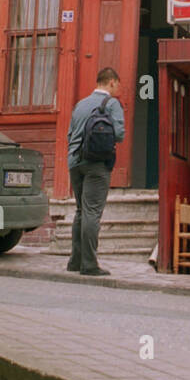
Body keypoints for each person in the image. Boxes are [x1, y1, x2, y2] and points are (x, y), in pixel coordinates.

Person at [66, 67, 125, 276]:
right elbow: (119, 134)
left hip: (74, 162)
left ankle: (75, 261)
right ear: (111, 82)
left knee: (81, 211)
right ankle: (89, 265)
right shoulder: (112, 104)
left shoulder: (80, 104)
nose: (118, 89)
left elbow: (70, 134)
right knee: (92, 212)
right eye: (117, 85)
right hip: (97, 163)